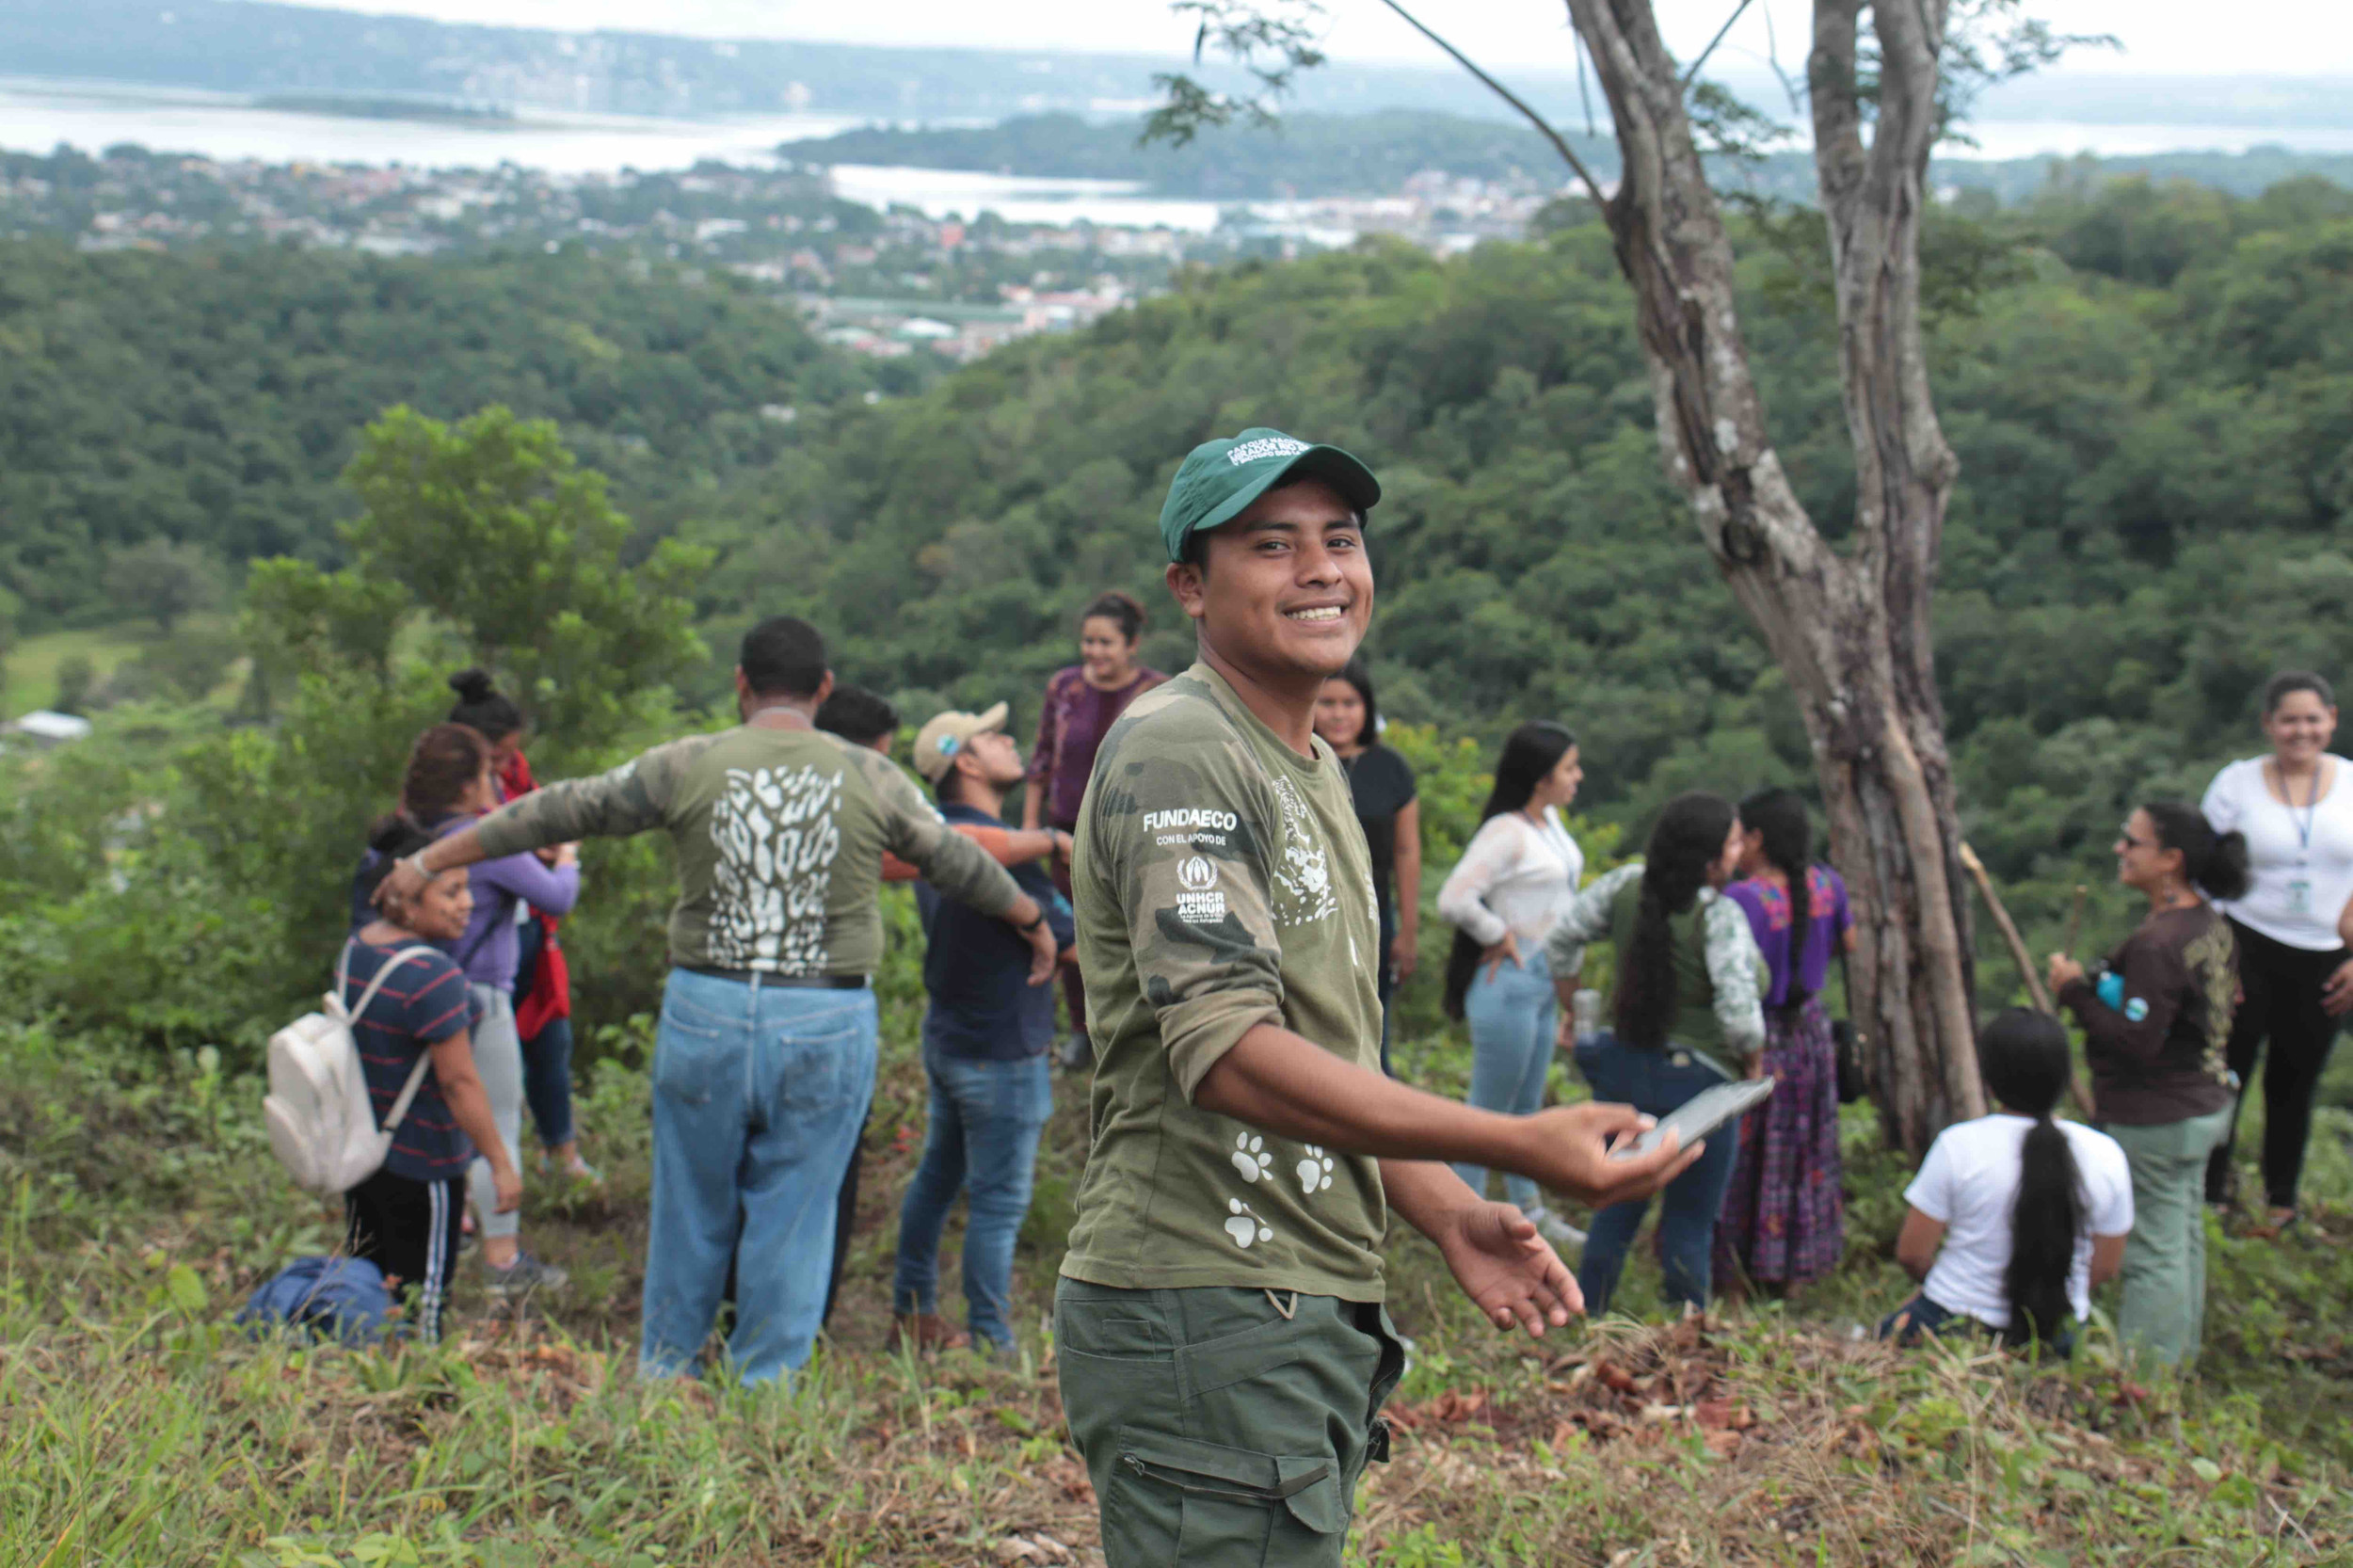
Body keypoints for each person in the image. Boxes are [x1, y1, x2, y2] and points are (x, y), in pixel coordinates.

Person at [1054, 426, 1698, 1568]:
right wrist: (1514, 1141)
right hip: (1206, 1297)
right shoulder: (1181, 749)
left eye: (1339, 539)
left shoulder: (1313, 768)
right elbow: (1231, 1054)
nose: (1319, 569)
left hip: (1290, 1302)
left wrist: (1451, 1210)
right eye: (1272, 544)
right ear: (1190, 587)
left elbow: (1328, 1059)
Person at [377, 617, 1056, 1385]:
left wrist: (427, 857)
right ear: (822, 691)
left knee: (689, 1208)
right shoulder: (872, 776)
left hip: (708, 1007)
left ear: (740, 683)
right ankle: (763, 1392)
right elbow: (954, 858)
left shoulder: (689, 762)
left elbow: (558, 810)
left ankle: (667, 1379)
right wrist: (1030, 919)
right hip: (825, 1016)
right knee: (797, 1217)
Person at [891, 701, 1076, 1354]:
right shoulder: (1009, 853)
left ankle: (912, 1310)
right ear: (964, 760)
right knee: (997, 1204)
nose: (1009, 740)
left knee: (938, 1178)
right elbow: (1073, 944)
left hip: (950, 1038)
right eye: (993, 736)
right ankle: (992, 1340)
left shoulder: (932, 838)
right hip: (1003, 1048)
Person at [1546, 792, 1766, 1314]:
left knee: (1615, 1209)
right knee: (1690, 1220)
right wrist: (1753, 1061)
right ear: (1711, 859)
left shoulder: (1624, 886)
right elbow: (1739, 1012)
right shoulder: (1720, 915)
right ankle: (1686, 1334)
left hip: (1625, 1070)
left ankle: (1586, 1315)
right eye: (1733, 843)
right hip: (1700, 1084)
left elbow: (1562, 941)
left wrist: (1574, 1014)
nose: (1739, 853)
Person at [2049, 803, 2244, 1367]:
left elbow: (2136, 1041)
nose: (2120, 850)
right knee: (2180, 1237)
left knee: (2153, 1251)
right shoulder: (2209, 922)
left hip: (2157, 1115)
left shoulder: (2158, 944)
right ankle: (2175, 1359)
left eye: (2131, 842)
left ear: (2169, 860)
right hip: (2203, 1101)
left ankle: (2146, 1378)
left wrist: (2073, 992)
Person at [400, 721, 580, 1297]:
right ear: (469, 785)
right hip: (480, 996)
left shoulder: (411, 834)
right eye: (487, 774)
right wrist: (568, 857)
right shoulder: (486, 838)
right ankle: (503, 1262)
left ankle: (446, 1237)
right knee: (496, 1123)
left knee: (440, 1120)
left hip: (418, 992)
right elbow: (557, 897)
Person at [344, 819, 520, 1343]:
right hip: (424, 1164)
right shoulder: (436, 977)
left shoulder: (360, 948)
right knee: (425, 1298)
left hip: (366, 1155)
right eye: (451, 892)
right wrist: (500, 1162)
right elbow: (460, 1083)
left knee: (370, 1281)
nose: (467, 903)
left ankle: (362, 1368)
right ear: (403, 898)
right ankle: (414, 1393)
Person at [1881, 1010, 2133, 1357]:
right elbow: (2106, 1266)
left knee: (1885, 1336)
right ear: (2064, 1075)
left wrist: (1953, 1289)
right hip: (2060, 1332)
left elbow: (1912, 1254)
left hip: (1952, 1323)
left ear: (1989, 1078)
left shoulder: (1958, 1146)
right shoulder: (2106, 1155)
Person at [2200, 671, 2353, 1225]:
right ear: (2268, 724)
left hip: (2327, 954)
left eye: (2313, 719)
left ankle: (2280, 1205)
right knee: (2227, 1074)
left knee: (2295, 1082)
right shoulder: (2236, 784)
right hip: (2247, 945)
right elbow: (2202, 870)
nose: (2301, 731)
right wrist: (2218, 959)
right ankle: (2210, 1197)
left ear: (2332, 720)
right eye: (2289, 720)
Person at [1435, 722, 1586, 1242]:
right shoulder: (1506, 831)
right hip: (1511, 980)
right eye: (1570, 767)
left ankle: (1529, 1207)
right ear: (1542, 777)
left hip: (1543, 981)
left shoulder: (1550, 825)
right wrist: (1497, 932)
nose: (1578, 777)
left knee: (1525, 1108)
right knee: (1487, 1111)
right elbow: (1453, 898)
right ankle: (1462, 1214)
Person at [447, 669, 597, 1186]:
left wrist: (542, 850)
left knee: (548, 1042)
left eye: (512, 756)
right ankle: (481, 1189)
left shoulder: (517, 782)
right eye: (498, 760)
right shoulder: (459, 811)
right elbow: (553, 885)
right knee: (481, 1079)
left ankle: (560, 1152)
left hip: (528, 935)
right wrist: (560, 857)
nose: (508, 768)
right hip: (480, 957)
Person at [1711, 787, 1853, 1298]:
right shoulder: (1828, 885)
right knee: (1803, 1150)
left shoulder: (1744, 899)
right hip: (1811, 1034)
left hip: (1759, 1036)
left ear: (1758, 839)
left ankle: (1732, 1271)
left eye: (1739, 836)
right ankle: (1792, 1270)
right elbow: (1847, 943)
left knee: (1745, 1150)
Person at [1025, 590, 1167, 1068]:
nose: (1094, 652)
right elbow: (1042, 759)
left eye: (1106, 643)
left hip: (1129, 832)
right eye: (1088, 642)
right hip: (1065, 832)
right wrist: (1031, 829)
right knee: (1072, 931)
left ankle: (1134, 1029)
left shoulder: (1157, 691)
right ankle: (1082, 1032)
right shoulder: (1064, 687)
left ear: (1131, 645)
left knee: (1133, 931)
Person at [1313, 659, 1419, 1074]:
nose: (1338, 714)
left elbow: (1407, 851)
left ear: (1367, 707)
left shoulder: (1391, 769)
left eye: (1350, 703)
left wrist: (1408, 931)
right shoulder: (1294, 756)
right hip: (1309, 916)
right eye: (1327, 702)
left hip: (1373, 920)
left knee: (1373, 1032)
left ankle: (1377, 1127)